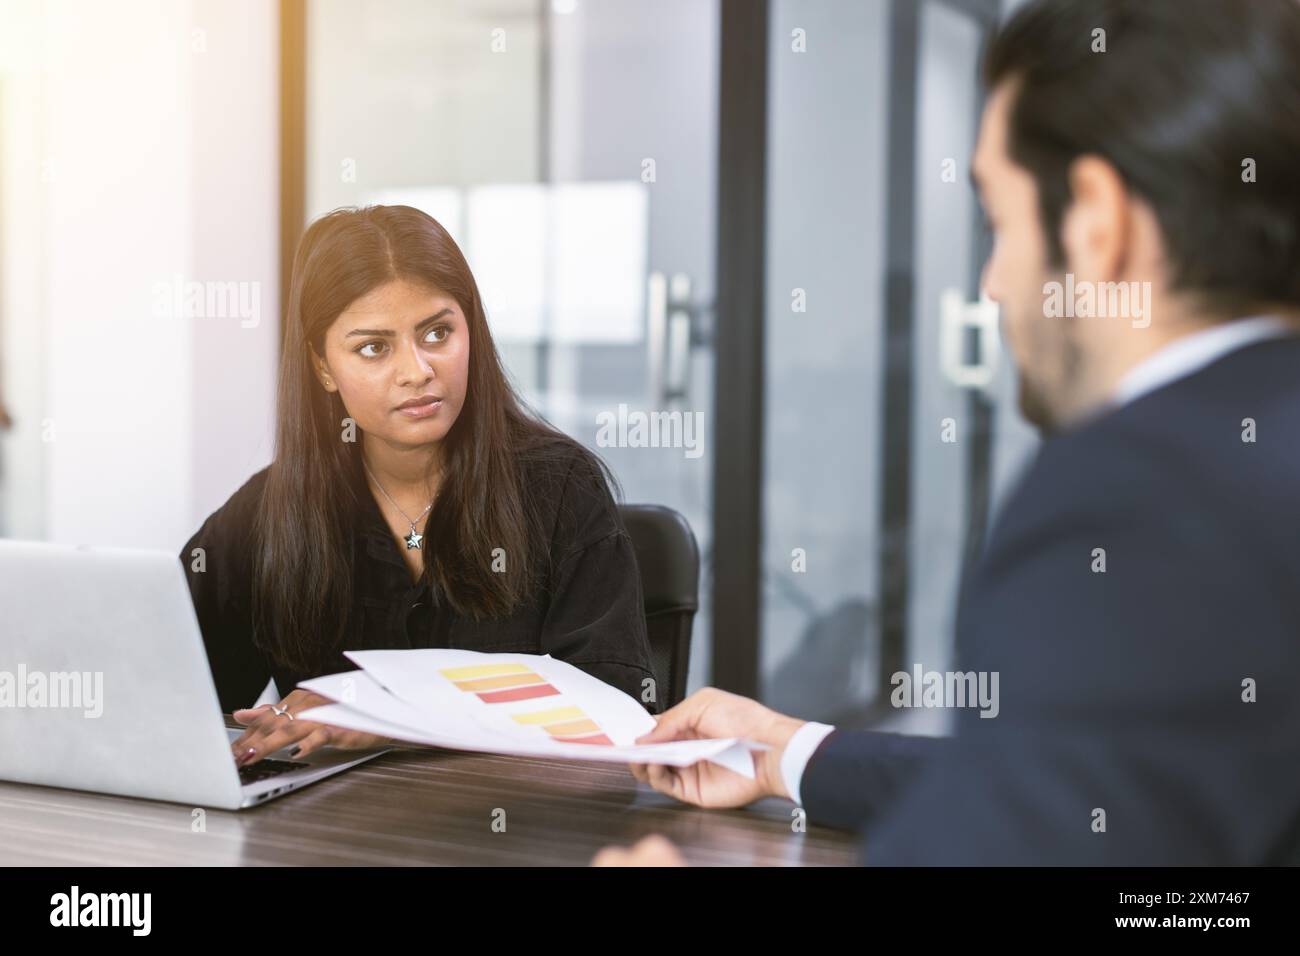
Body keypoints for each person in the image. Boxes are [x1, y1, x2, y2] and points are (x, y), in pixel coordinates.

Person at [595, 0, 1300, 866]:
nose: (995, 286)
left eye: (999, 226)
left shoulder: (1142, 494)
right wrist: (787, 749)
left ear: (1096, 222)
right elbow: (1081, 785)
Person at [181, 205, 656, 769]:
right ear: (324, 367)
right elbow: (172, 691)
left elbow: (615, 713)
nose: (417, 370)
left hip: (517, 835)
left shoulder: (560, 489)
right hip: (328, 839)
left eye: (437, 333)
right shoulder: (270, 510)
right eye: (374, 348)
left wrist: (384, 713)